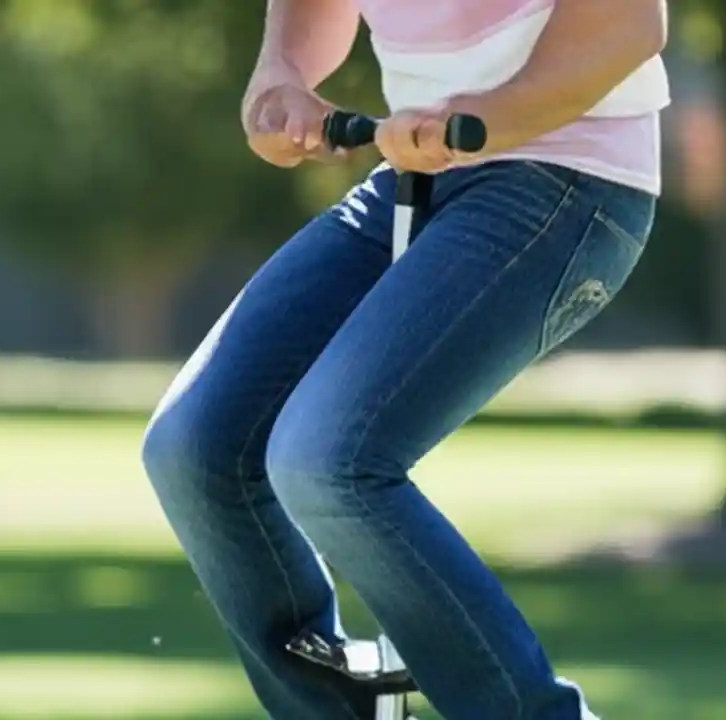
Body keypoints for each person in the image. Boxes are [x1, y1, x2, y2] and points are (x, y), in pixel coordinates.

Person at [141, 1, 670, 717]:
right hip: (418, 174)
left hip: (565, 175)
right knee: (196, 446)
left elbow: (627, 27)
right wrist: (282, 80)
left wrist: (489, 116)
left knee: (328, 460)